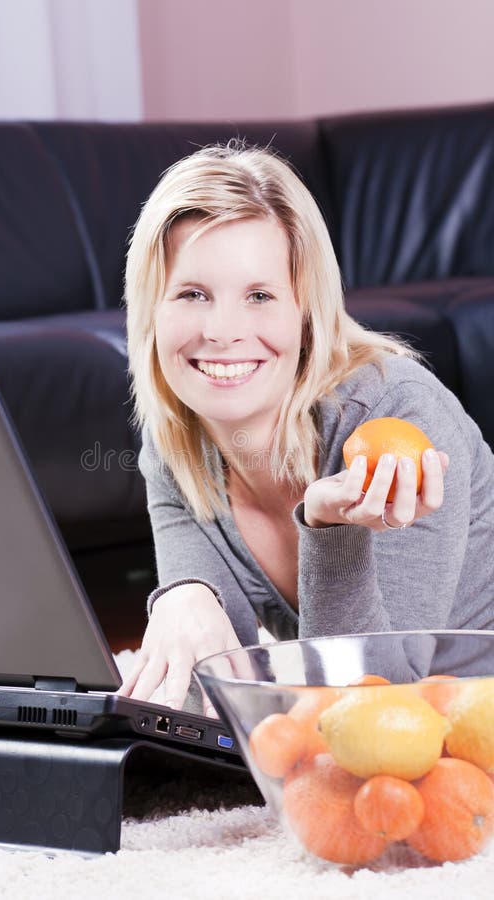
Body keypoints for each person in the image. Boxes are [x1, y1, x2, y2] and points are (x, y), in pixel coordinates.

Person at [119, 141, 494, 715]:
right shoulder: (175, 442)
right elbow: (235, 687)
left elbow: (371, 699)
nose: (221, 331)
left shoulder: (399, 416)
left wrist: (328, 528)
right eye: (192, 294)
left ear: (306, 310)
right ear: (152, 309)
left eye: (260, 295)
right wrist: (184, 597)